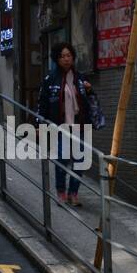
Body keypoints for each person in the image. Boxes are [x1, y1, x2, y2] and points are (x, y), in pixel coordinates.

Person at [37, 41, 102, 207]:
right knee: (62, 159)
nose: (66, 59)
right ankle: (61, 192)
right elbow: (42, 103)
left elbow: (91, 101)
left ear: (73, 57)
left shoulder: (80, 78)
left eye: (69, 56)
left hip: (80, 126)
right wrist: (39, 124)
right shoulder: (50, 79)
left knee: (80, 161)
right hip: (60, 127)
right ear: (57, 59)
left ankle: (74, 193)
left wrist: (89, 90)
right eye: (62, 56)